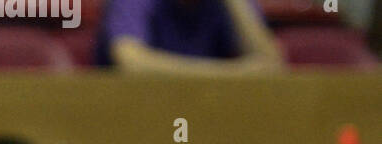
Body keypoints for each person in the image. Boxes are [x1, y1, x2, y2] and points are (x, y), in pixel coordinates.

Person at [97, 0, 284, 71]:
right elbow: (130, 61)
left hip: (207, 112)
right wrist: (232, 73)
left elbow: (272, 66)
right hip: (138, 109)